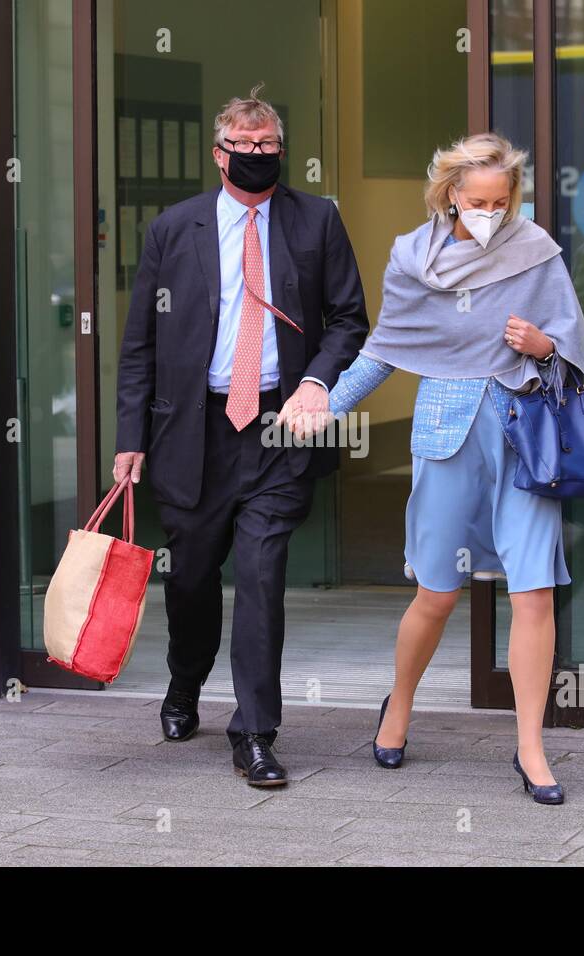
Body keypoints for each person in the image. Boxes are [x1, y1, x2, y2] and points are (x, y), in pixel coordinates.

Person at [283, 132, 584, 805]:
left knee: (534, 590)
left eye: (501, 201)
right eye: (478, 200)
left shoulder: (536, 249)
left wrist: (543, 348)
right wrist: (325, 407)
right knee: (436, 592)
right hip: (446, 435)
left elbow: (574, 356)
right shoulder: (413, 257)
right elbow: (386, 349)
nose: (490, 212)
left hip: (525, 440)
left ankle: (531, 748)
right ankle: (398, 706)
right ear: (452, 193)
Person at [113, 86, 369, 786]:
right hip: (192, 433)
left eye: (269, 147)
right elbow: (140, 341)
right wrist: (130, 436)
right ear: (219, 153)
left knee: (261, 580)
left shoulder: (317, 221)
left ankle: (254, 732)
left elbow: (349, 319)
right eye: (245, 147)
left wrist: (317, 383)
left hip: (279, 430)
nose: (258, 157)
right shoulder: (175, 228)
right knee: (192, 577)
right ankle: (184, 681)